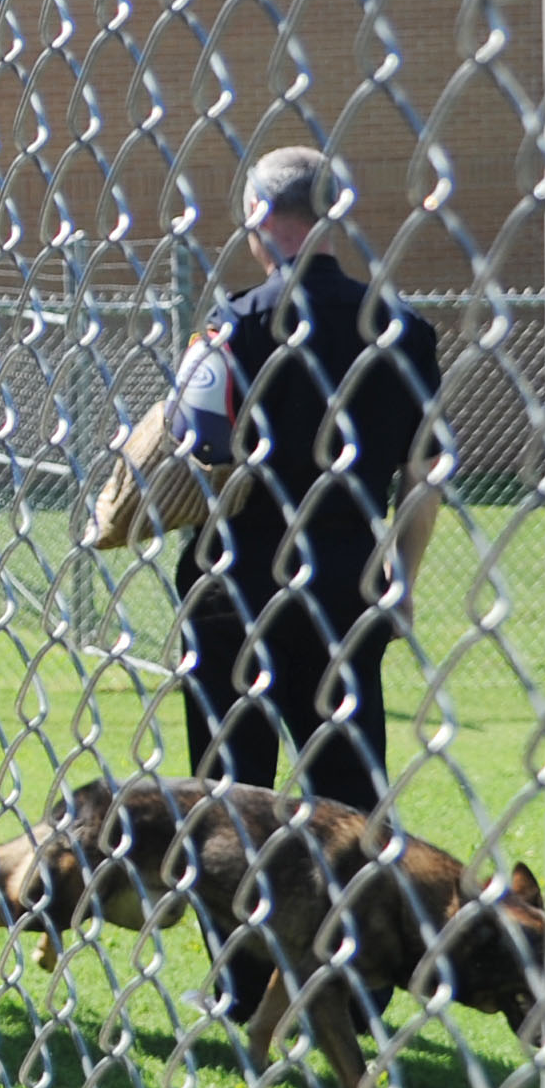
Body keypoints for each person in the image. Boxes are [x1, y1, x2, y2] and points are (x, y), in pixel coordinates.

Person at [170, 146, 447, 1020]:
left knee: (229, 794)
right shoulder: (404, 329)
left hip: (233, 587)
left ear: (259, 220)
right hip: (343, 587)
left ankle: (245, 984)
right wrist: (397, 579)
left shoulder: (235, 325)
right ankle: (354, 982)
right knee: (349, 800)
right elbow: (425, 477)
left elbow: (192, 455)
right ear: (334, 217)